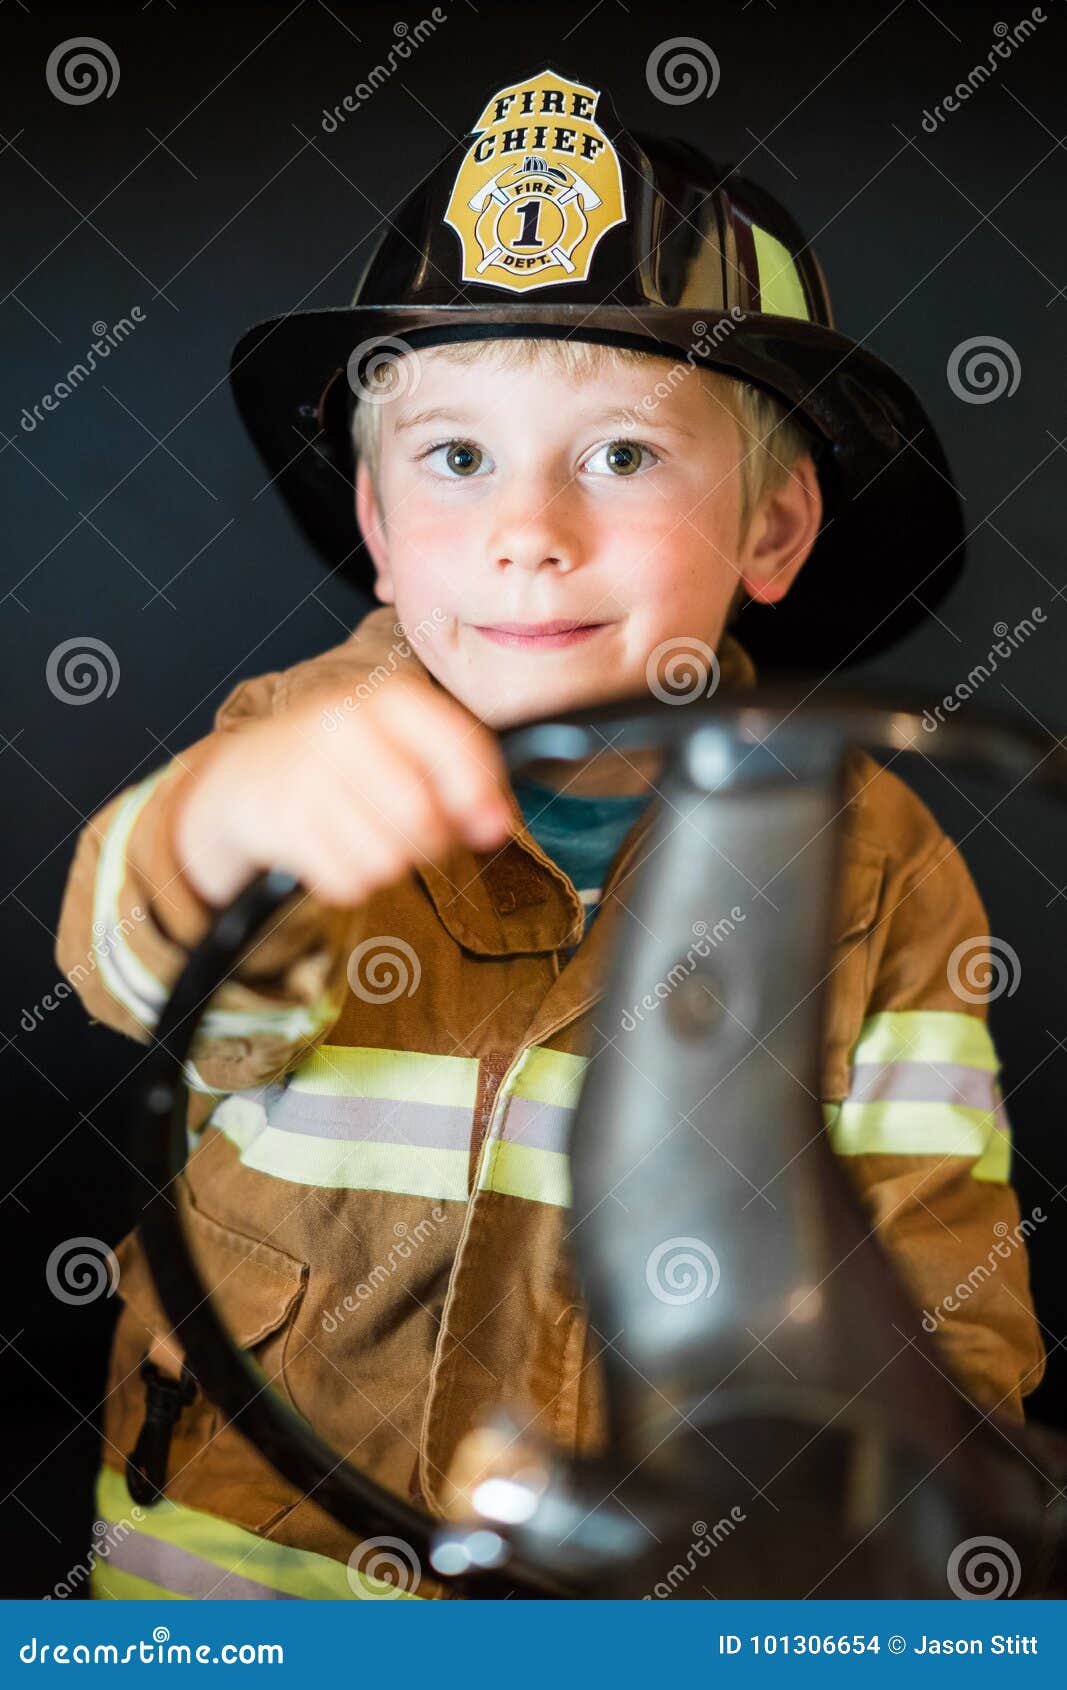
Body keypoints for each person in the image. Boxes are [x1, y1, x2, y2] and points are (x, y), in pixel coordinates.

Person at [55, 65, 1045, 1601]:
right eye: (458, 459)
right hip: (255, 1568)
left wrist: (916, 1520)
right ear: (379, 527)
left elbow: (939, 1262)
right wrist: (213, 826)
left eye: (622, 455)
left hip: (666, 1590)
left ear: (774, 527)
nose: (529, 532)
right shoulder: (300, 758)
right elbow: (135, 959)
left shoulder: (875, 862)